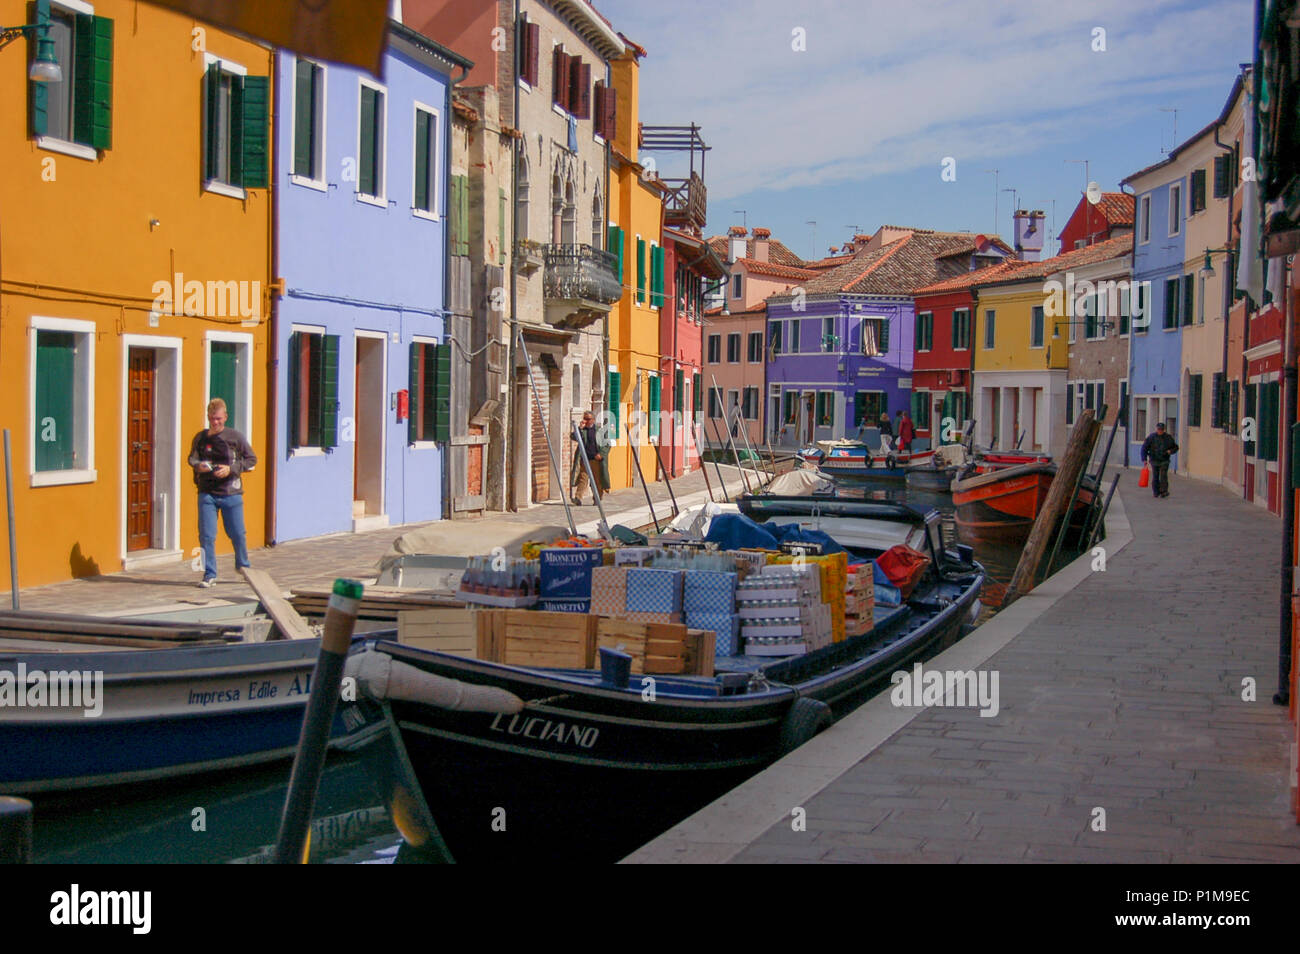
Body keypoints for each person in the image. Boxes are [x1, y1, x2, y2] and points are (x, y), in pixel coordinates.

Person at [188, 398, 256, 587]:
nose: (215, 422)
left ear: (225, 417)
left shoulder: (236, 437)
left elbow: (251, 459)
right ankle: (210, 573)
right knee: (206, 535)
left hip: (231, 493)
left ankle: (243, 565)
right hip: (206, 493)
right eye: (211, 419)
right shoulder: (200, 438)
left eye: (218, 418)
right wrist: (198, 466)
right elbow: (192, 458)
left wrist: (231, 469)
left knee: (237, 533)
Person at [570, 411, 609, 505]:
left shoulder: (599, 431)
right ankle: (578, 498)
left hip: (596, 460)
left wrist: (601, 454)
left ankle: (597, 498)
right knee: (583, 479)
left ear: (593, 420)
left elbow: (607, 444)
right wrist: (579, 428)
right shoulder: (582, 430)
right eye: (585, 419)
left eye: (588, 419)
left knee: (597, 480)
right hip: (584, 459)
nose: (586, 421)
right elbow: (573, 436)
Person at [1140, 421, 1179, 499]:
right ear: (1156, 429)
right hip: (1154, 460)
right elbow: (1144, 448)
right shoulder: (1151, 437)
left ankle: (1164, 491)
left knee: (1163, 475)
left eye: (1161, 429)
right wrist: (1144, 459)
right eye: (1159, 429)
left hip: (1164, 460)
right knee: (1155, 476)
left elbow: (1175, 447)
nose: (1160, 431)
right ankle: (1156, 492)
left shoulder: (1168, 438)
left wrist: (1170, 451)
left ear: (1164, 430)